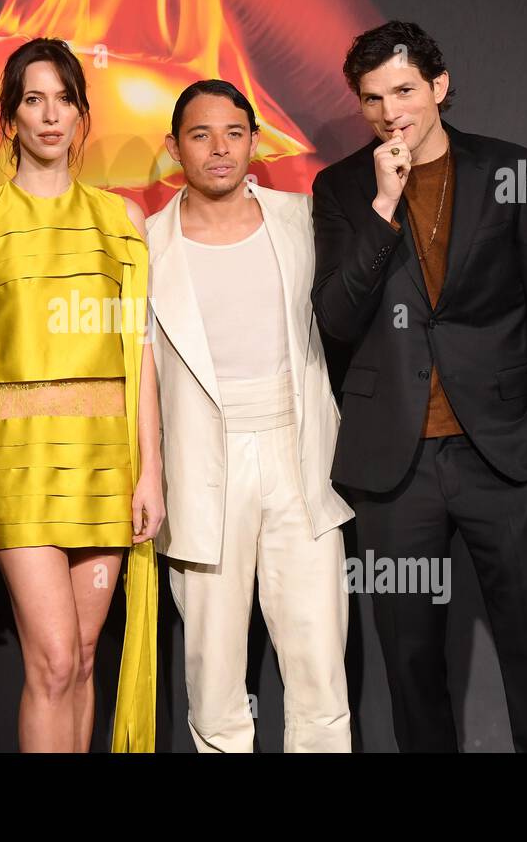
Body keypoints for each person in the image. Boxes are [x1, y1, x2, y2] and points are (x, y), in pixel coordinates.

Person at [312, 20, 527, 752]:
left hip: (502, 454)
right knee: (411, 667)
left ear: (439, 86)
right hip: (394, 466)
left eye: (404, 89)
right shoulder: (342, 187)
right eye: (372, 98)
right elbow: (337, 319)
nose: (389, 110)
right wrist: (382, 205)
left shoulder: (512, 169)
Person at [0, 37, 164, 752]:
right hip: (15, 468)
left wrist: (152, 473)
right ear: (9, 119)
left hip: (106, 464)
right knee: (49, 659)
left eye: (65, 100)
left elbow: (139, 356)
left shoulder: (123, 222)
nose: (51, 115)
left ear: (82, 115)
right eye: (34, 100)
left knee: (79, 660)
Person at [146, 79, 354, 752]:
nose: (219, 149)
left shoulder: (304, 221)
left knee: (321, 670)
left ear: (254, 141)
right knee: (212, 683)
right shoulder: (144, 246)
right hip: (198, 468)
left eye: (234, 133)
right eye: (200, 135)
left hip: (301, 456)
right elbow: (138, 374)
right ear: (173, 147)